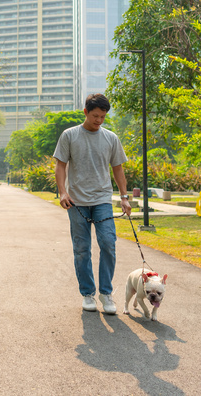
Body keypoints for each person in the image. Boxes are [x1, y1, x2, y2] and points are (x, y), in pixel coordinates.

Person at [53, 93, 132, 314]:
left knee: (108, 243)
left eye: (103, 117)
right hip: (76, 201)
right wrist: (62, 192)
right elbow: (60, 165)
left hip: (102, 200)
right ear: (86, 112)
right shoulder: (69, 136)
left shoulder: (111, 138)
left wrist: (124, 197)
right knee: (81, 249)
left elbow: (118, 168)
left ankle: (106, 294)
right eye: (95, 115)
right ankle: (88, 294)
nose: (99, 120)